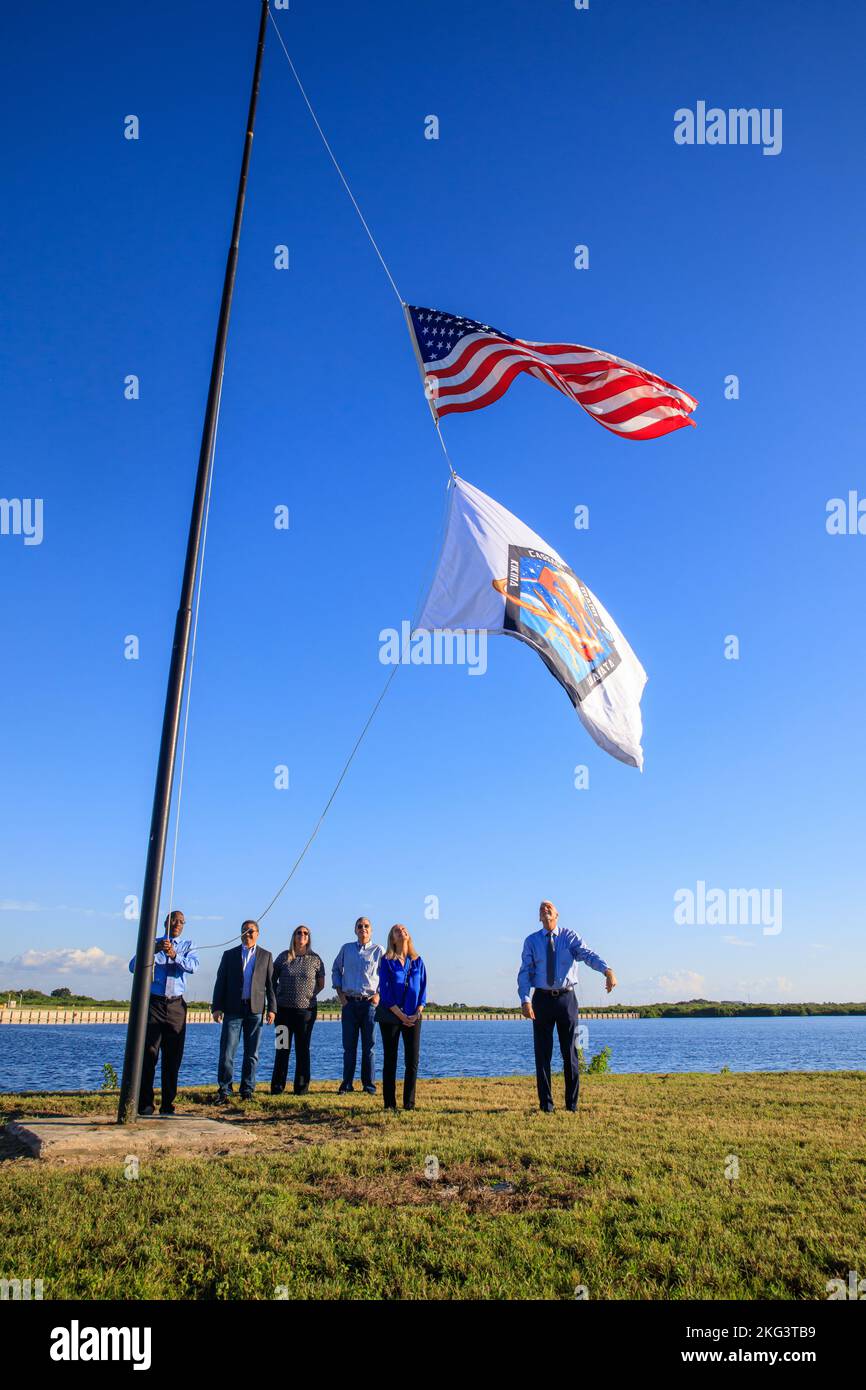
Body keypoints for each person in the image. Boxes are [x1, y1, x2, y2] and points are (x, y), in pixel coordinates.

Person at [518, 899, 617, 1113]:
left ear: (557, 915)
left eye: (549, 908)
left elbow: (587, 955)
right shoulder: (531, 942)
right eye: (541, 909)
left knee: (570, 1053)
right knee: (542, 1054)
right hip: (541, 1000)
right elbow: (525, 972)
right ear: (538, 917)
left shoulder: (569, 937)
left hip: (566, 1000)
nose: (545, 910)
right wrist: (525, 999)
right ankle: (546, 1105)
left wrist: (607, 970)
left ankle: (571, 1105)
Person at [128, 908, 199, 1116]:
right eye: (174, 921)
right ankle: (145, 1103)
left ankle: (168, 1104)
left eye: (181, 922)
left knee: (173, 1057)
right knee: (149, 1054)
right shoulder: (152, 943)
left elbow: (193, 966)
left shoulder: (188, 946)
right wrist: (155, 950)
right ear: (165, 923)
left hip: (176, 1005)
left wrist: (174, 955)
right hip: (154, 1005)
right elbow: (133, 967)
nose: (178, 924)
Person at [211, 920, 276, 1103]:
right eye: (244, 931)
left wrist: (272, 1009)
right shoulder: (229, 955)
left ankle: (247, 1089)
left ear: (258, 934)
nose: (247, 934)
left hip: (255, 1010)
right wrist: (217, 1007)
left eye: (251, 931)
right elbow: (220, 982)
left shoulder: (266, 956)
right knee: (227, 1051)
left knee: (252, 1052)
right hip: (233, 1009)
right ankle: (224, 1089)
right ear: (240, 934)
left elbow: (270, 985)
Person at [377, 924, 427, 1111]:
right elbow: (385, 990)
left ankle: (409, 1104)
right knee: (390, 1060)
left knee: (412, 1061)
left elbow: (422, 989)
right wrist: (400, 1015)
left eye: (404, 928)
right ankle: (389, 1104)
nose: (402, 931)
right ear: (392, 939)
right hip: (391, 1016)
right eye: (397, 930)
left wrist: (417, 1011)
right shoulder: (387, 961)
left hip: (414, 1016)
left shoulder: (418, 961)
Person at [332, 916, 383, 1095]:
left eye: (366, 926)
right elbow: (336, 969)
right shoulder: (346, 949)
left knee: (369, 1047)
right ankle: (346, 1085)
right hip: (350, 1004)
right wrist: (341, 995)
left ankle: (369, 1086)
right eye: (360, 926)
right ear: (355, 930)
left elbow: (387, 977)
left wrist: (378, 995)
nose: (363, 929)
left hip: (369, 1005)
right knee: (349, 1047)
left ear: (371, 930)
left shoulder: (379, 951)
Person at [271, 926, 325, 1095]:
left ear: (309, 938)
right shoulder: (282, 957)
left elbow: (321, 983)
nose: (302, 935)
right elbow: (271, 980)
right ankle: (277, 1087)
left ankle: (301, 1088)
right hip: (282, 1013)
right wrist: (276, 997)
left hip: (306, 1012)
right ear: (293, 936)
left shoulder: (315, 959)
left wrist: (309, 994)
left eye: (305, 933)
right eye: (299, 933)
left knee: (302, 1049)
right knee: (282, 1048)